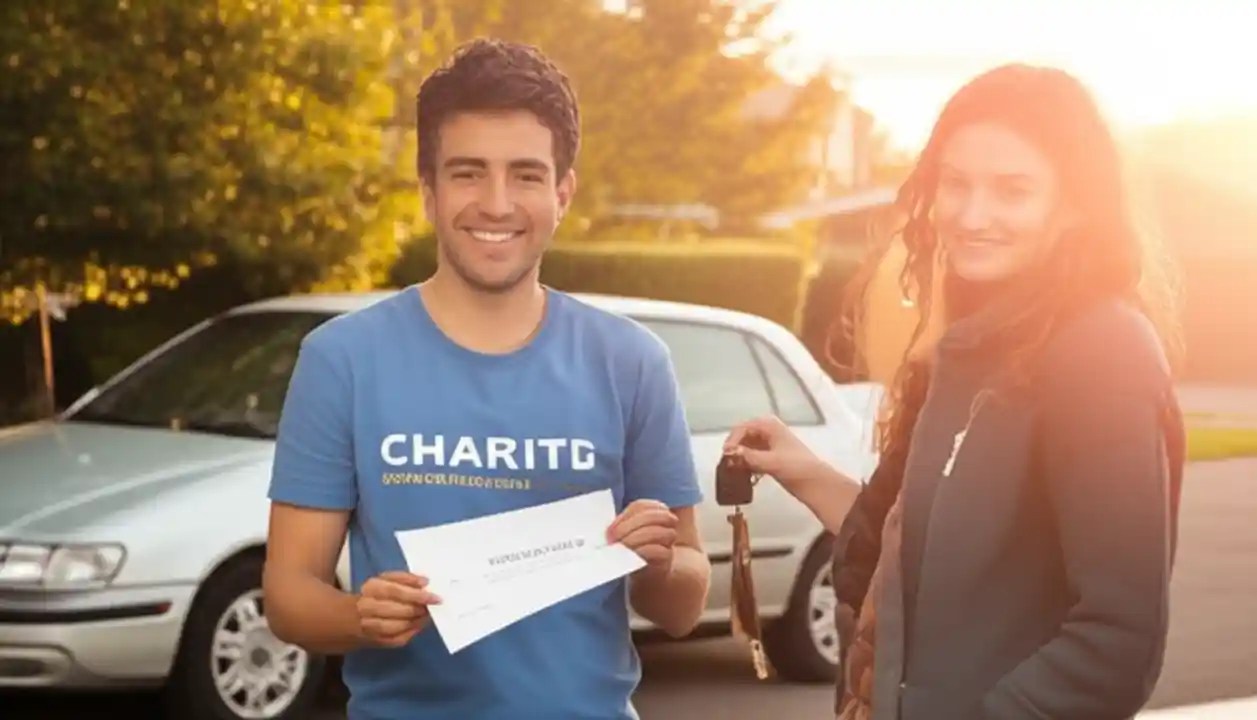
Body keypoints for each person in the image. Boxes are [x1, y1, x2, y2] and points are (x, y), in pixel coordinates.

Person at [262, 38, 710, 720]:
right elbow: (290, 596)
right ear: (429, 192)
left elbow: (682, 606)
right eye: (468, 173)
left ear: (563, 192)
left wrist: (656, 564)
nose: (496, 204)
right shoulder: (342, 359)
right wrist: (359, 616)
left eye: (526, 175)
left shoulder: (632, 361)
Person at [724, 63, 1185, 720]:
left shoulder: (1100, 349)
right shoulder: (971, 346)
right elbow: (925, 555)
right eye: (956, 184)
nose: (972, 215)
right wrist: (805, 472)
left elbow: (1118, 638)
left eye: (1012, 190)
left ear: (1075, 205)